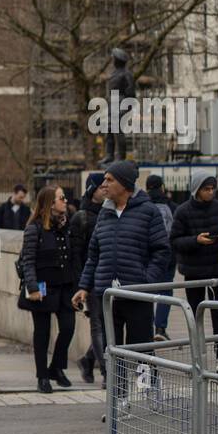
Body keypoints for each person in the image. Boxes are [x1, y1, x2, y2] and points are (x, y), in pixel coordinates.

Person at [72, 161, 171, 396]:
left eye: (109, 180)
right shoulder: (105, 213)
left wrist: (146, 280)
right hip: (107, 295)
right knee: (112, 350)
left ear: (125, 185)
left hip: (136, 293)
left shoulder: (148, 211)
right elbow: (94, 253)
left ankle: (148, 393)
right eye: (104, 180)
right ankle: (118, 399)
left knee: (141, 349)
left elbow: (162, 250)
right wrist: (84, 286)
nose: (104, 184)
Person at [170, 173, 218, 371]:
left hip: (217, 268)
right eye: (206, 189)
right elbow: (174, 240)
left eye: (212, 189)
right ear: (197, 190)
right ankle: (197, 358)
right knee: (195, 314)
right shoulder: (183, 211)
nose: (210, 192)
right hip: (194, 270)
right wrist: (195, 240)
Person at [19, 186, 77, 393]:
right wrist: (33, 287)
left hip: (66, 286)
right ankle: (42, 375)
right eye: (62, 198)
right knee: (42, 334)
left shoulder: (67, 225)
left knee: (68, 328)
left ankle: (56, 367)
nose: (65, 201)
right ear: (50, 203)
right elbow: (28, 261)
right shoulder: (34, 228)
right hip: (43, 287)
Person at [70, 173, 108, 384]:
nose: (105, 189)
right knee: (98, 326)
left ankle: (87, 359)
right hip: (91, 279)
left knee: (108, 325)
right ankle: (106, 372)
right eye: (101, 186)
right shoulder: (81, 217)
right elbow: (76, 255)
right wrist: (81, 285)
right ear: (91, 189)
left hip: (111, 277)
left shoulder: (110, 212)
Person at [145, 173, 177, 339]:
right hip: (168, 255)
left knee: (147, 291)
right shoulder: (171, 206)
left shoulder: (143, 205)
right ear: (162, 187)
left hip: (148, 255)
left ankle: (147, 327)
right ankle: (160, 328)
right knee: (165, 291)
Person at [100, 48, 136, 165]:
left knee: (118, 129)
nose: (112, 61)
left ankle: (121, 155)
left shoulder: (127, 74)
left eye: (114, 59)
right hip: (113, 103)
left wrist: (126, 107)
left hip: (122, 103)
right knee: (109, 129)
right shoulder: (114, 74)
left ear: (117, 60)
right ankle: (109, 155)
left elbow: (131, 93)